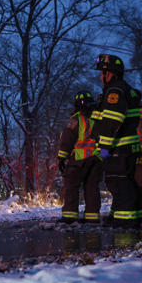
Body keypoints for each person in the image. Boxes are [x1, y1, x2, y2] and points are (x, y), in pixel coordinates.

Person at [91, 54, 142, 228]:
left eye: (102, 73)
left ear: (111, 73)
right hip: (124, 148)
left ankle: (125, 223)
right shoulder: (122, 89)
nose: (100, 77)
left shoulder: (115, 91)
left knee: (118, 182)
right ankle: (123, 217)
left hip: (118, 148)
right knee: (123, 182)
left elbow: (111, 121)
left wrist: (104, 147)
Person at [56, 91, 101, 223]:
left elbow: (67, 140)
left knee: (71, 186)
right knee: (92, 188)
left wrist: (61, 158)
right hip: (96, 159)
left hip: (79, 160)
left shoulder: (76, 120)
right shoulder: (99, 118)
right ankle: (92, 217)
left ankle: (70, 217)